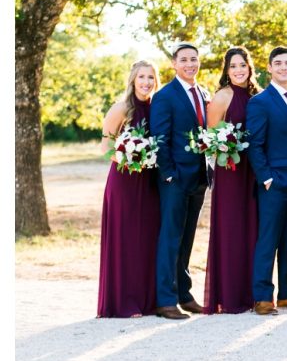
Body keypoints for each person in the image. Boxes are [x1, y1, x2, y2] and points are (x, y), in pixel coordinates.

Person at [245, 46, 287, 316]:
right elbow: (255, 144)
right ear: (269, 68)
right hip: (275, 184)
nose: (284, 67)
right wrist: (267, 178)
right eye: (278, 63)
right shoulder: (260, 101)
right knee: (268, 239)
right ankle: (262, 296)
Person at [150, 43, 211, 320]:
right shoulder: (165, 96)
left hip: (199, 176)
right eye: (184, 60)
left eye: (194, 59)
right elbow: (159, 138)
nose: (190, 64)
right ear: (174, 64)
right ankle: (165, 300)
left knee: (187, 239)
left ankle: (184, 294)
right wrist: (169, 173)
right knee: (170, 238)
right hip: (174, 179)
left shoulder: (204, 93)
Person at [97, 61, 161, 318]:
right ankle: (124, 302)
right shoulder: (121, 108)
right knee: (125, 240)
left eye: (150, 77)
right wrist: (131, 157)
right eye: (141, 77)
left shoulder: (157, 108)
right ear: (133, 80)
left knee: (147, 238)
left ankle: (148, 300)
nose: (146, 82)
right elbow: (105, 147)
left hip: (149, 183)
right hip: (124, 181)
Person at [202, 46, 261, 315]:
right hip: (231, 171)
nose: (239, 70)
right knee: (231, 228)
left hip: (257, 170)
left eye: (243, 65)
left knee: (255, 228)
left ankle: (254, 293)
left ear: (250, 67)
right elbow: (210, 139)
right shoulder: (222, 97)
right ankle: (229, 294)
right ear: (227, 70)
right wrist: (228, 146)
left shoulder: (258, 95)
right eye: (233, 66)